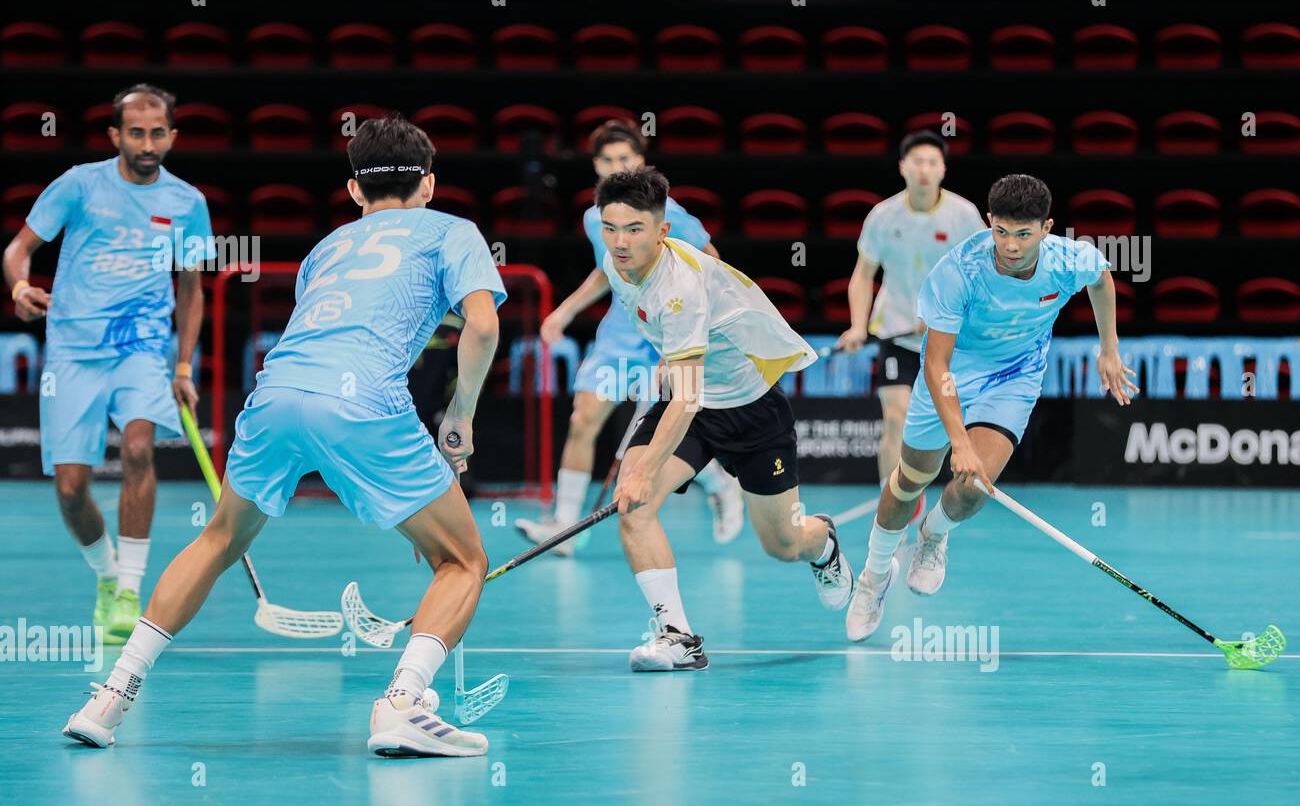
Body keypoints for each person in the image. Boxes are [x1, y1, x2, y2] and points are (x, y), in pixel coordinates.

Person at [63, 114, 507, 758]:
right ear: (430, 185)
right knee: (463, 561)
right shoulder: (453, 231)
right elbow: (485, 328)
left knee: (217, 538)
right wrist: (459, 416)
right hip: (363, 405)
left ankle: (110, 696)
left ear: (354, 192)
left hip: (274, 397)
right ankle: (403, 705)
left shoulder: (326, 247)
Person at [845, 174, 1138, 642]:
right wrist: (957, 441)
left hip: (1015, 376)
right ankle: (874, 577)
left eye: (1024, 234)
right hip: (951, 374)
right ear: (989, 223)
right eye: (1002, 231)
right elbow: (937, 363)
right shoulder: (958, 271)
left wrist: (1109, 348)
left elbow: (1102, 281)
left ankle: (934, 535)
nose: (1012, 245)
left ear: (1047, 227)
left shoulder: (1069, 260)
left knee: (974, 486)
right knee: (907, 483)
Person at [598, 169, 856, 672]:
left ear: (662, 232)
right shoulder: (616, 266)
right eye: (610, 228)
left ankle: (822, 542)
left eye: (634, 229)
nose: (621, 242)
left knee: (782, 545)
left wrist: (646, 466)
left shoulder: (681, 288)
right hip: (690, 403)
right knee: (635, 509)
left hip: (750, 409)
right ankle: (677, 638)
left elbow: (688, 397)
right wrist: (666, 360)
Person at [3, 84, 211, 644]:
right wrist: (21, 286)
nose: (147, 143)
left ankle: (130, 591)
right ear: (116, 135)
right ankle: (106, 576)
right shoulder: (79, 184)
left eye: (157, 132)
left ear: (172, 136)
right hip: (72, 350)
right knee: (71, 488)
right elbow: (17, 249)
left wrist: (184, 366)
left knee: (140, 447)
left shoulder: (187, 202)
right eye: (136, 133)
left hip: (141, 348)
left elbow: (191, 290)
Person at [515, 119, 743, 555]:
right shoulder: (592, 218)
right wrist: (565, 310)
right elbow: (609, 268)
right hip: (621, 334)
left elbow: (713, 265)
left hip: (669, 330)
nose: (617, 166)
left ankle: (719, 482)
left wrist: (692, 333)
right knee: (583, 419)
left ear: (641, 161)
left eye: (625, 158)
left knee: (666, 434)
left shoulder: (671, 216)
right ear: (596, 165)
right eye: (608, 160)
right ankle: (564, 526)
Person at [836, 130, 984, 527]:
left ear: (943, 170)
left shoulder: (964, 216)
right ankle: (893, 501)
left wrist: (945, 314)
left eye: (932, 162)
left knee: (952, 423)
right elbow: (862, 276)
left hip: (948, 341)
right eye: (917, 161)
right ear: (903, 167)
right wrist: (857, 325)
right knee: (895, 418)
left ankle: (946, 508)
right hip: (897, 337)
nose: (924, 169)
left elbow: (979, 277)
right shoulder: (883, 217)